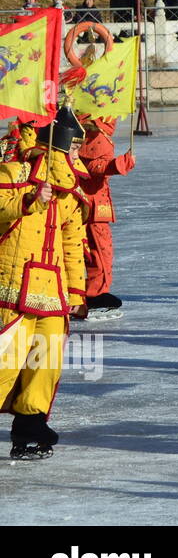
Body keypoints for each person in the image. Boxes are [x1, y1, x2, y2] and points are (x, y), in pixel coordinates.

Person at [1, 108, 88, 459]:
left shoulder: (70, 193)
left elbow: (72, 245)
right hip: (12, 285)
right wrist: (26, 201)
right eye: (74, 149)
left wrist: (78, 291)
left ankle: (30, 422)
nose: (78, 156)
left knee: (45, 358)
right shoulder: (13, 172)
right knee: (7, 360)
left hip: (52, 291)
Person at [71, 115, 136, 320]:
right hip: (91, 203)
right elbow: (92, 167)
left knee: (92, 249)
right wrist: (118, 165)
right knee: (99, 250)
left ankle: (87, 292)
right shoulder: (92, 137)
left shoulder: (87, 134)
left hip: (91, 201)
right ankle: (94, 295)